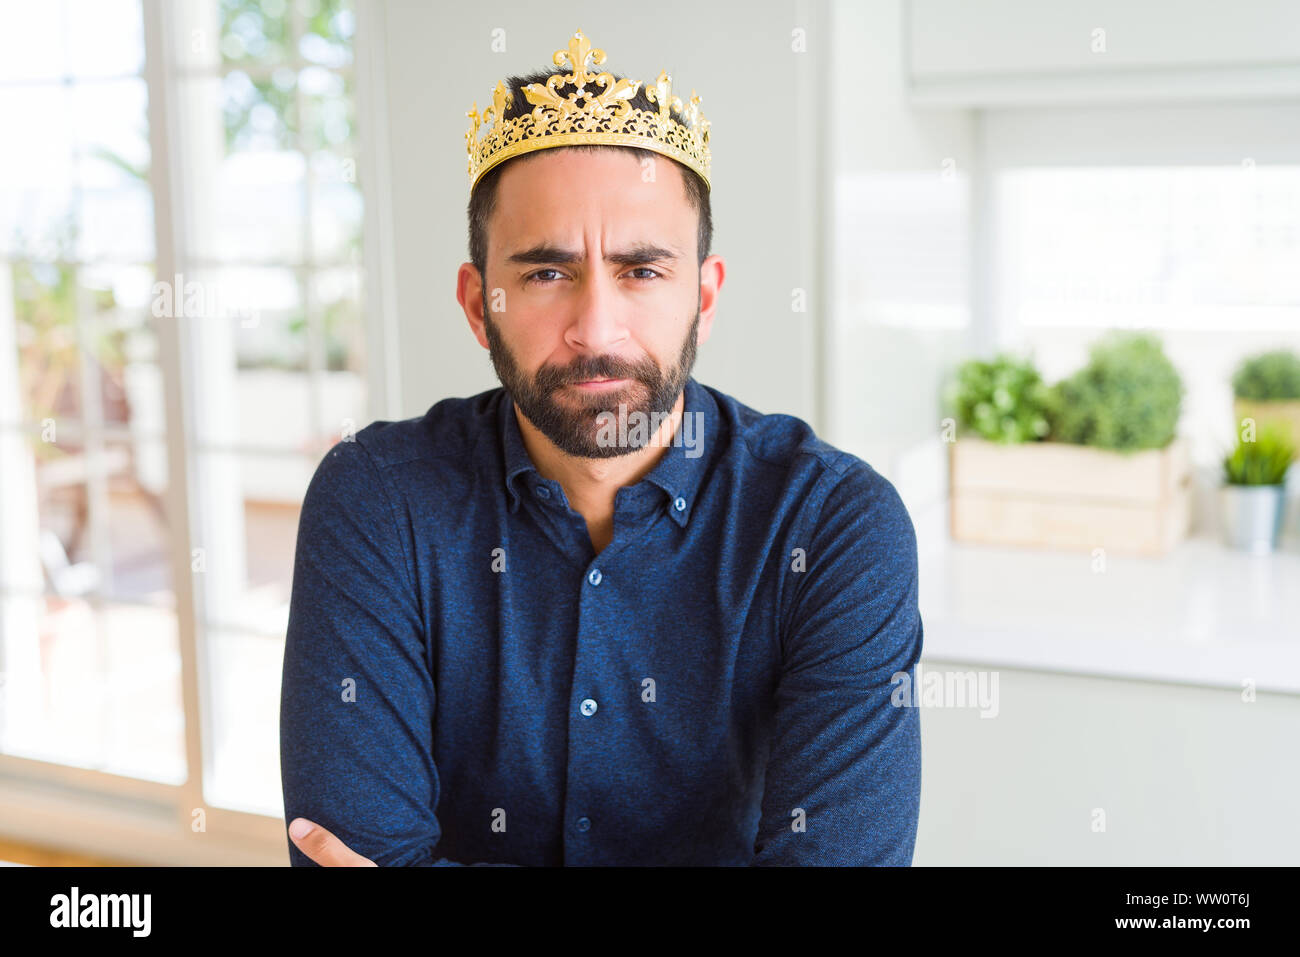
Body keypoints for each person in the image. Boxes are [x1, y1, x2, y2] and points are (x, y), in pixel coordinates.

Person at [279, 28, 922, 866]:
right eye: (546, 273)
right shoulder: (374, 499)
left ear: (704, 294)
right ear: (480, 305)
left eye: (642, 271)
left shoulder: (836, 527)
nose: (596, 328)